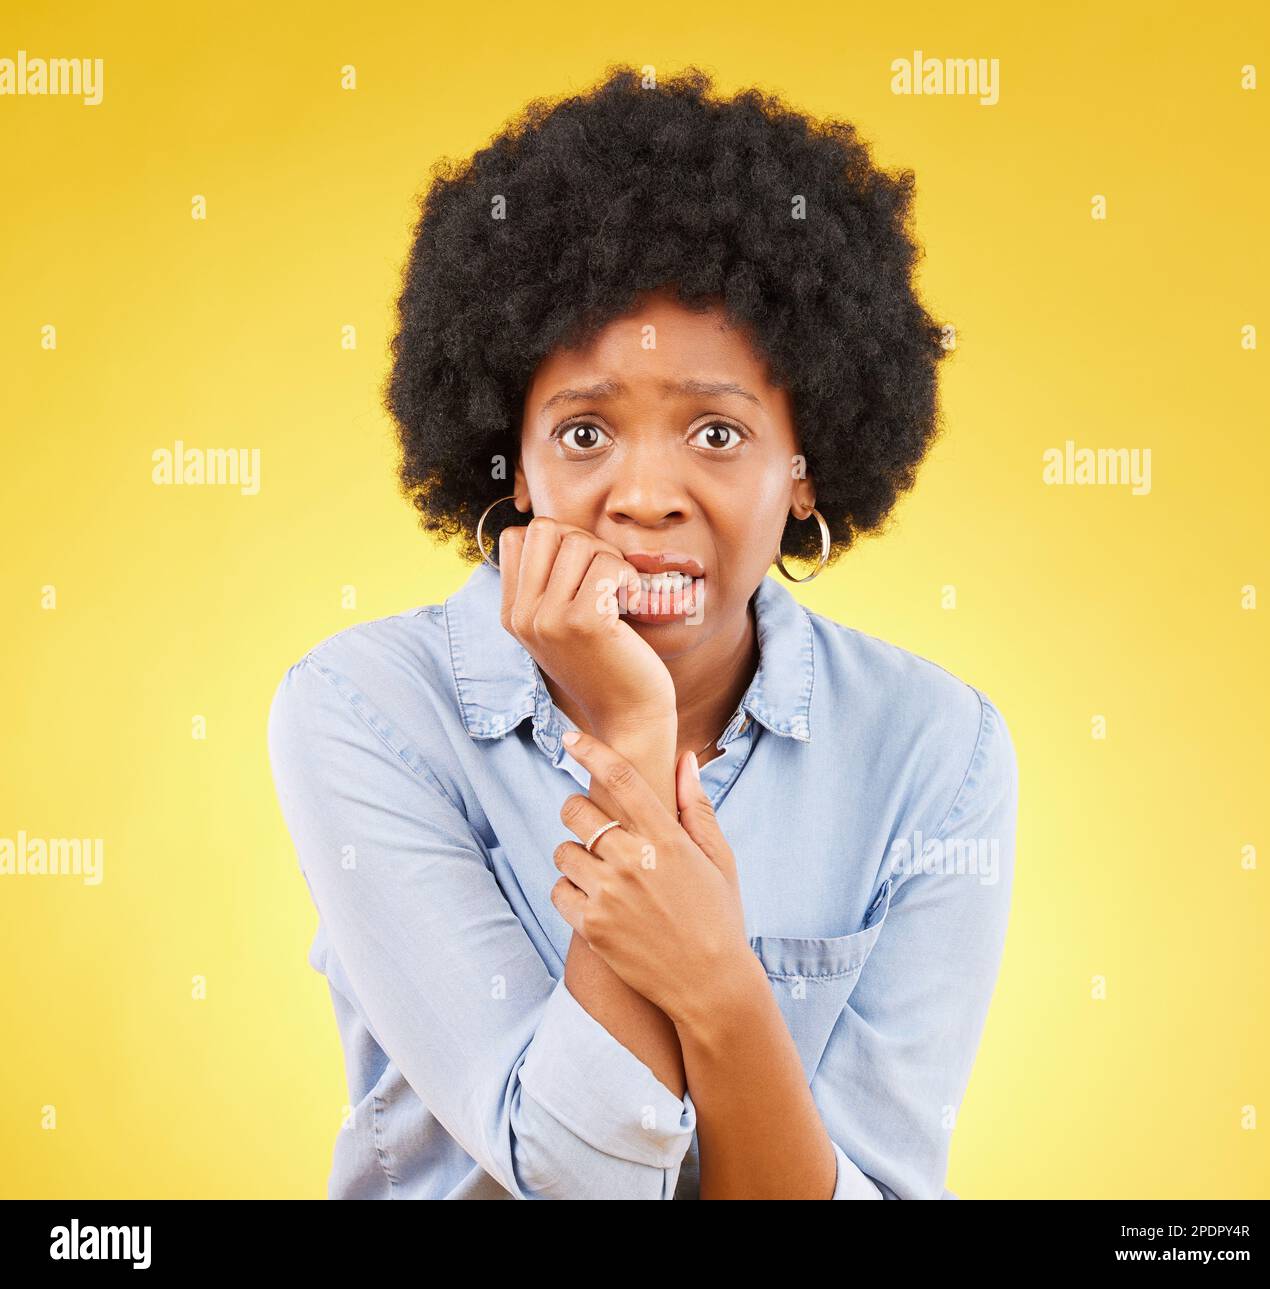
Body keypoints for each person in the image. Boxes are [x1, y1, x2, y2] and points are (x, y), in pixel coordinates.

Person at [267, 63, 1017, 1200]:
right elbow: (567, 1172)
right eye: (583, 434)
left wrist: (714, 980)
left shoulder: (935, 750)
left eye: (716, 433)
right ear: (510, 461)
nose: (645, 494)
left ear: (804, 470)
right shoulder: (367, 708)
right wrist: (632, 732)